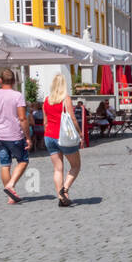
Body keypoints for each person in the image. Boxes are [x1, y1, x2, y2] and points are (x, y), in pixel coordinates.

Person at [0, 68, 32, 203]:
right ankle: (10, 185)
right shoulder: (17, 96)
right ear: (14, 81)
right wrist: (28, 137)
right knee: (23, 161)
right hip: (14, 135)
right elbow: (22, 118)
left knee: (5, 164)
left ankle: (10, 196)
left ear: (0, 80)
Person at [42, 74, 82, 207]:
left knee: (58, 169)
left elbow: (45, 122)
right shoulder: (66, 99)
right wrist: (80, 133)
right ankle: (64, 190)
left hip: (49, 136)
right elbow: (72, 118)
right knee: (76, 166)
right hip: (64, 137)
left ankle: (61, 197)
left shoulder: (46, 100)